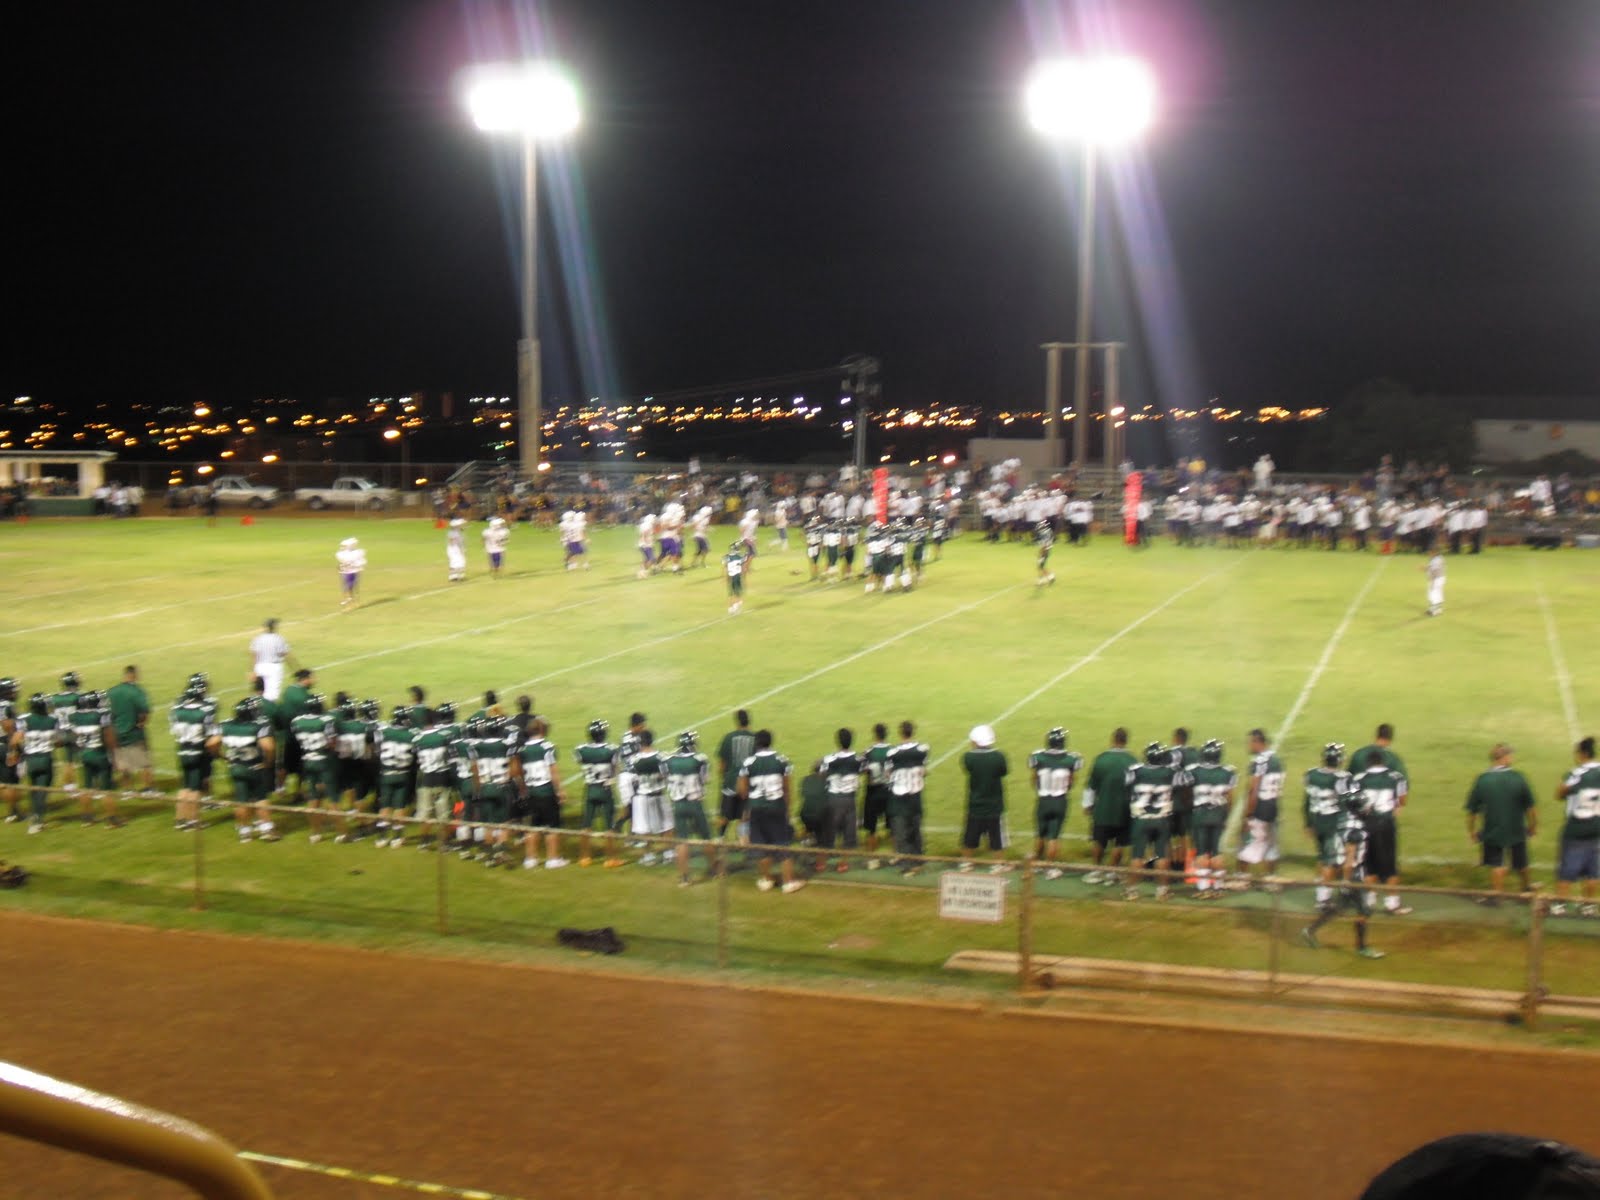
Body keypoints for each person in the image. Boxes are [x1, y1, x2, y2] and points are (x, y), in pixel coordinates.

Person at [1300, 773, 1385, 959]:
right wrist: (1348, 882)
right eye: (1363, 806)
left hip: (1351, 870)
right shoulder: (1355, 830)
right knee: (1365, 910)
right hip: (1353, 873)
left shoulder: (1345, 820)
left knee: (1339, 907)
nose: (1367, 808)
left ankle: (1309, 930)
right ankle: (1362, 947)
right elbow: (1349, 858)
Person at [1465, 743, 1537, 900]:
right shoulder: (1519, 778)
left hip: (1492, 829)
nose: (1512, 758)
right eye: (1510, 755)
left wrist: (1471, 831)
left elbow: (1472, 811)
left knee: (1496, 864)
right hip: (1516, 829)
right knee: (1522, 863)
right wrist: (1532, 826)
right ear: (1503, 758)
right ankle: (1526, 890)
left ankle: (1497, 896)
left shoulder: (1482, 780)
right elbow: (1531, 808)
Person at [737, 728, 802, 893]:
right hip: (776, 807)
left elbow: (742, 791)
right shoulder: (782, 760)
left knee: (761, 845)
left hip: (756, 809)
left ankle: (766, 880)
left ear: (756, 743)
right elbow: (787, 789)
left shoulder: (748, 763)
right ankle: (788, 882)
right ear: (770, 741)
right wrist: (787, 809)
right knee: (783, 844)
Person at [1352, 744, 1412, 915]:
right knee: (1390, 865)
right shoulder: (1396, 777)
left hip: (1367, 825)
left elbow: (1355, 804)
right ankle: (1392, 904)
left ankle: (1369, 902)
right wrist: (1395, 806)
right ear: (1383, 762)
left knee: (1369, 864)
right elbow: (1402, 800)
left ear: (1368, 763)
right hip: (1386, 825)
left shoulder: (1358, 779)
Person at [212, 697, 278, 842]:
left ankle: (244, 832)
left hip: (236, 767)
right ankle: (266, 830)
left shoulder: (225, 725)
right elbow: (269, 747)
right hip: (254, 767)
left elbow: (211, 743)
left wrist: (221, 756)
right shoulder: (259, 726)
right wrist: (268, 761)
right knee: (261, 798)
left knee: (241, 800)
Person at [1551, 736, 1600, 918]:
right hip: (1597, 827)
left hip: (1576, 827)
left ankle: (1561, 905)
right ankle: (1588, 906)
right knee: (1593, 870)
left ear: (1582, 754)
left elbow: (1560, 793)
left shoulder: (1576, 774)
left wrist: (1563, 788)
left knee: (1567, 869)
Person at [1125, 741, 1180, 899]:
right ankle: (1162, 891)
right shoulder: (1172, 771)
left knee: (1137, 855)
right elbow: (1179, 788)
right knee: (1162, 855)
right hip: (1161, 819)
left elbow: (1127, 788)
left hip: (1141, 819)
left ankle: (1132, 891)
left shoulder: (1135, 770)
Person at [1083, 728, 1137, 885]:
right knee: (1119, 842)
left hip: (1102, 808)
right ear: (1126, 741)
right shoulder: (1133, 762)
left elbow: (1091, 786)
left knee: (1099, 840)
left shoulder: (1101, 759)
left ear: (1113, 740)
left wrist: (1087, 804)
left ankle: (1097, 871)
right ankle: (1113, 872)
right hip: (1124, 809)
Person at [1028, 727, 1082, 879]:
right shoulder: (1072, 759)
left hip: (1043, 800)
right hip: (1059, 800)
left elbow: (1034, 779)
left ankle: (1037, 865)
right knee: (1054, 836)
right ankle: (1050, 868)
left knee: (1040, 834)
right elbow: (1071, 781)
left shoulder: (1037, 757)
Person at [1304, 743, 1352, 910]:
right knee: (1330, 862)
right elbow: (1346, 804)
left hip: (1317, 822)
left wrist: (1308, 823)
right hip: (1332, 824)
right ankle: (1323, 899)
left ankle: (1322, 892)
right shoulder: (1342, 778)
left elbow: (1307, 801)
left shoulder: (1311, 774)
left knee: (1322, 857)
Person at [517, 717, 567, 870]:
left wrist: (523, 789)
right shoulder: (547, 747)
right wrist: (560, 790)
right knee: (552, 826)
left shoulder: (522, 749)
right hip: (546, 791)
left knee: (533, 825)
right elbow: (553, 771)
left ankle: (530, 859)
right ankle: (552, 859)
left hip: (531, 791)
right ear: (543, 730)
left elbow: (520, 772)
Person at [1188, 739, 1236, 897]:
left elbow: (1186, 793)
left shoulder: (1193, 770)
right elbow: (1230, 798)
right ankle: (1218, 887)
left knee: (1201, 851)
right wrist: (1226, 815)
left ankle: (1204, 888)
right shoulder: (1228, 772)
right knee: (1216, 851)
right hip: (1218, 814)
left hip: (1200, 814)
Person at [665, 730, 713, 885]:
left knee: (681, 841)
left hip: (678, 804)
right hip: (695, 803)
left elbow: (665, 778)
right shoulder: (700, 759)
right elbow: (705, 780)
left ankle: (684, 878)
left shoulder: (668, 760)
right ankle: (714, 869)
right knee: (706, 838)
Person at [958, 725, 1010, 872]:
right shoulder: (999, 757)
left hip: (975, 804)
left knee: (970, 836)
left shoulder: (968, 757)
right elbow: (1003, 772)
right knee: (997, 837)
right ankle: (998, 864)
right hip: (994, 804)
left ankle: (966, 863)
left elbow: (968, 770)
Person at [68, 690, 123, 827]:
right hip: (100, 754)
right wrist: (115, 757)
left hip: (85, 754)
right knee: (106, 789)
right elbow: (109, 736)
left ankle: (87, 819)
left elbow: (74, 737)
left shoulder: (75, 716)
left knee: (87, 787)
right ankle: (112, 820)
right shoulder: (102, 715)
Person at [169, 674, 216, 831]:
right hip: (198, 751)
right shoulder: (205, 711)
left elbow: (174, 729)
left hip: (182, 750)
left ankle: (179, 819)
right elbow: (210, 734)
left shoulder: (177, 710)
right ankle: (193, 820)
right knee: (195, 789)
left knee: (185, 786)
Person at [1237, 728, 1285, 883]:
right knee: (1271, 844)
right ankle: (1270, 878)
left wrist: (1248, 815)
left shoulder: (1259, 762)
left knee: (1250, 841)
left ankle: (1242, 878)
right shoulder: (1277, 760)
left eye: (1250, 742)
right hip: (1273, 806)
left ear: (1258, 742)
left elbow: (1254, 790)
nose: (1249, 746)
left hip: (1260, 808)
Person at [575, 719, 623, 868]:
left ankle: (584, 857)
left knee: (586, 825)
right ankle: (611, 858)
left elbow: (581, 761)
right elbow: (616, 769)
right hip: (605, 789)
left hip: (589, 789)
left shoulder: (580, 750)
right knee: (609, 826)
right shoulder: (612, 750)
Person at [291, 694, 338, 842]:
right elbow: (332, 743)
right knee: (332, 797)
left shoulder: (297, 721)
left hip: (307, 760)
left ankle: (315, 833)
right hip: (322, 761)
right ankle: (342, 833)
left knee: (313, 797)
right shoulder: (326, 721)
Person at [886, 720, 929, 876]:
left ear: (900, 732)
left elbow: (888, 774)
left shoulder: (892, 753)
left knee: (901, 832)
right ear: (913, 732)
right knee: (915, 829)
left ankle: (906, 865)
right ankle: (918, 862)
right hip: (916, 796)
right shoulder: (922, 749)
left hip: (899, 798)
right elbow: (924, 771)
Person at [411, 706, 457, 851]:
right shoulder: (445, 735)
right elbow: (452, 758)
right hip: (442, 777)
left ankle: (423, 842)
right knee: (443, 813)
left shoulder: (417, 738)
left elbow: (416, 760)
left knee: (426, 813)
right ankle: (444, 844)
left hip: (426, 779)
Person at [818, 728, 862, 873]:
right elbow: (864, 771)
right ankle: (843, 864)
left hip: (833, 799)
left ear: (838, 741)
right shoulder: (858, 759)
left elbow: (821, 774)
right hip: (849, 799)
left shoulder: (828, 759)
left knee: (828, 832)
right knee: (848, 833)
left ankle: (822, 863)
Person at [13, 694, 58, 833]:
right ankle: (37, 821)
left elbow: (15, 740)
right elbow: (58, 741)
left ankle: (34, 814)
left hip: (30, 759)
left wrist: (20, 753)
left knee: (33, 789)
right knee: (42, 791)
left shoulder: (24, 720)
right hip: (45, 758)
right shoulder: (52, 720)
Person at [374, 705, 417, 848]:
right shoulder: (412, 734)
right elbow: (415, 754)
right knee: (400, 806)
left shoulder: (383, 731)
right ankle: (397, 838)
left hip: (386, 774)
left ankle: (382, 838)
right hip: (403, 774)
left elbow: (377, 748)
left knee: (385, 805)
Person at [106, 664, 153, 793]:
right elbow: (144, 712)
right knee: (145, 761)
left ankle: (128, 789)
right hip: (134, 731)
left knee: (123, 760)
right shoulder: (137, 691)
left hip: (116, 731)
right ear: (134, 675)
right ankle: (147, 788)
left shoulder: (111, 691)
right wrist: (141, 724)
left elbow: (106, 713)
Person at [715, 710, 756, 844]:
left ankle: (720, 839)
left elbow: (721, 765)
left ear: (737, 721)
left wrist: (725, 779)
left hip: (730, 783)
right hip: (748, 785)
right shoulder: (755, 739)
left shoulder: (728, 738)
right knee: (744, 816)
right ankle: (743, 842)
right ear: (749, 720)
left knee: (725, 815)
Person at [861, 722, 893, 869]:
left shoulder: (868, 752)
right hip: (888, 792)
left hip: (872, 793)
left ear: (875, 734)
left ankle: (873, 859)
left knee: (871, 829)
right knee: (892, 827)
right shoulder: (892, 751)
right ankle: (894, 856)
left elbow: (862, 771)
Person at [49, 671, 81, 794]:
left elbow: (51, 715)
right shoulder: (78, 697)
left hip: (60, 732)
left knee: (68, 760)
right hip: (75, 732)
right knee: (87, 757)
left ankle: (69, 787)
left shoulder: (54, 698)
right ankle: (96, 787)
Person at [248, 618, 293, 702]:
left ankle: (256, 711)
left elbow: (254, 655)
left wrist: (252, 671)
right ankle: (268, 711)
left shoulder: (258, 638)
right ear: (274, 627)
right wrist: (293, 667)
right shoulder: (278, 638)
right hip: (274, 668)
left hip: (260, 667)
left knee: (259, 691)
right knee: (272, 694)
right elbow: (284, 653)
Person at [336, 536, 365, 607]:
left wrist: (356, 566)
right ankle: (348, 598)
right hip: (346, 571)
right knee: (345, 585)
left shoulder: (357, 552)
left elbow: (361, 562)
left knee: (353, 585)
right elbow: (341, 561)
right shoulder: (343, 553)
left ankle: (354, 599)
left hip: (353, 571)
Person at [723, 538, 747, 614]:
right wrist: (744, 577)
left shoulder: (726, 557)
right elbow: (743, 568)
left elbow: (725, 568)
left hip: (730, 575)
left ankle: (731, 607)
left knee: (731, 592)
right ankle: (736, 605)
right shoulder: (741, 557)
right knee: (737, 591)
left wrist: (725, 577)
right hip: (737, 575)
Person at [1423, 549, 1445, 617]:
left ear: (1434, 553)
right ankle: (1438, 609)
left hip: (1435, 579)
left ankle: (1434, 611)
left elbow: (1433, 570)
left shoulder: (1435, 560)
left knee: (1432, 595)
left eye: (1430, 553)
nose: (1429, 554)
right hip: (1441, 578)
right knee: (1438, 594)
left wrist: (1424, 568)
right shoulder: (1440, 558)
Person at [1034, 519, 1056, 586]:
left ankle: (1049, 577)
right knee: (1041, 566)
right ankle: (1045, 579)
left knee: (1040, 566)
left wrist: (1041, 554)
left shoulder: (1042, 534)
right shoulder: (1049, 531)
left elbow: (1044, 545)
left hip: (1045, 551)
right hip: (1048, 550)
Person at [446, 517, 467, 582]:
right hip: (455, 549)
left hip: (454, 548)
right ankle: (457, 576)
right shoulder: (455, 533)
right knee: (459, 562)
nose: (462, 526)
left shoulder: (455, 532)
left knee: (455, 562)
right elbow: (452, 542)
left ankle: (454, 576)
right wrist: (461, 549)